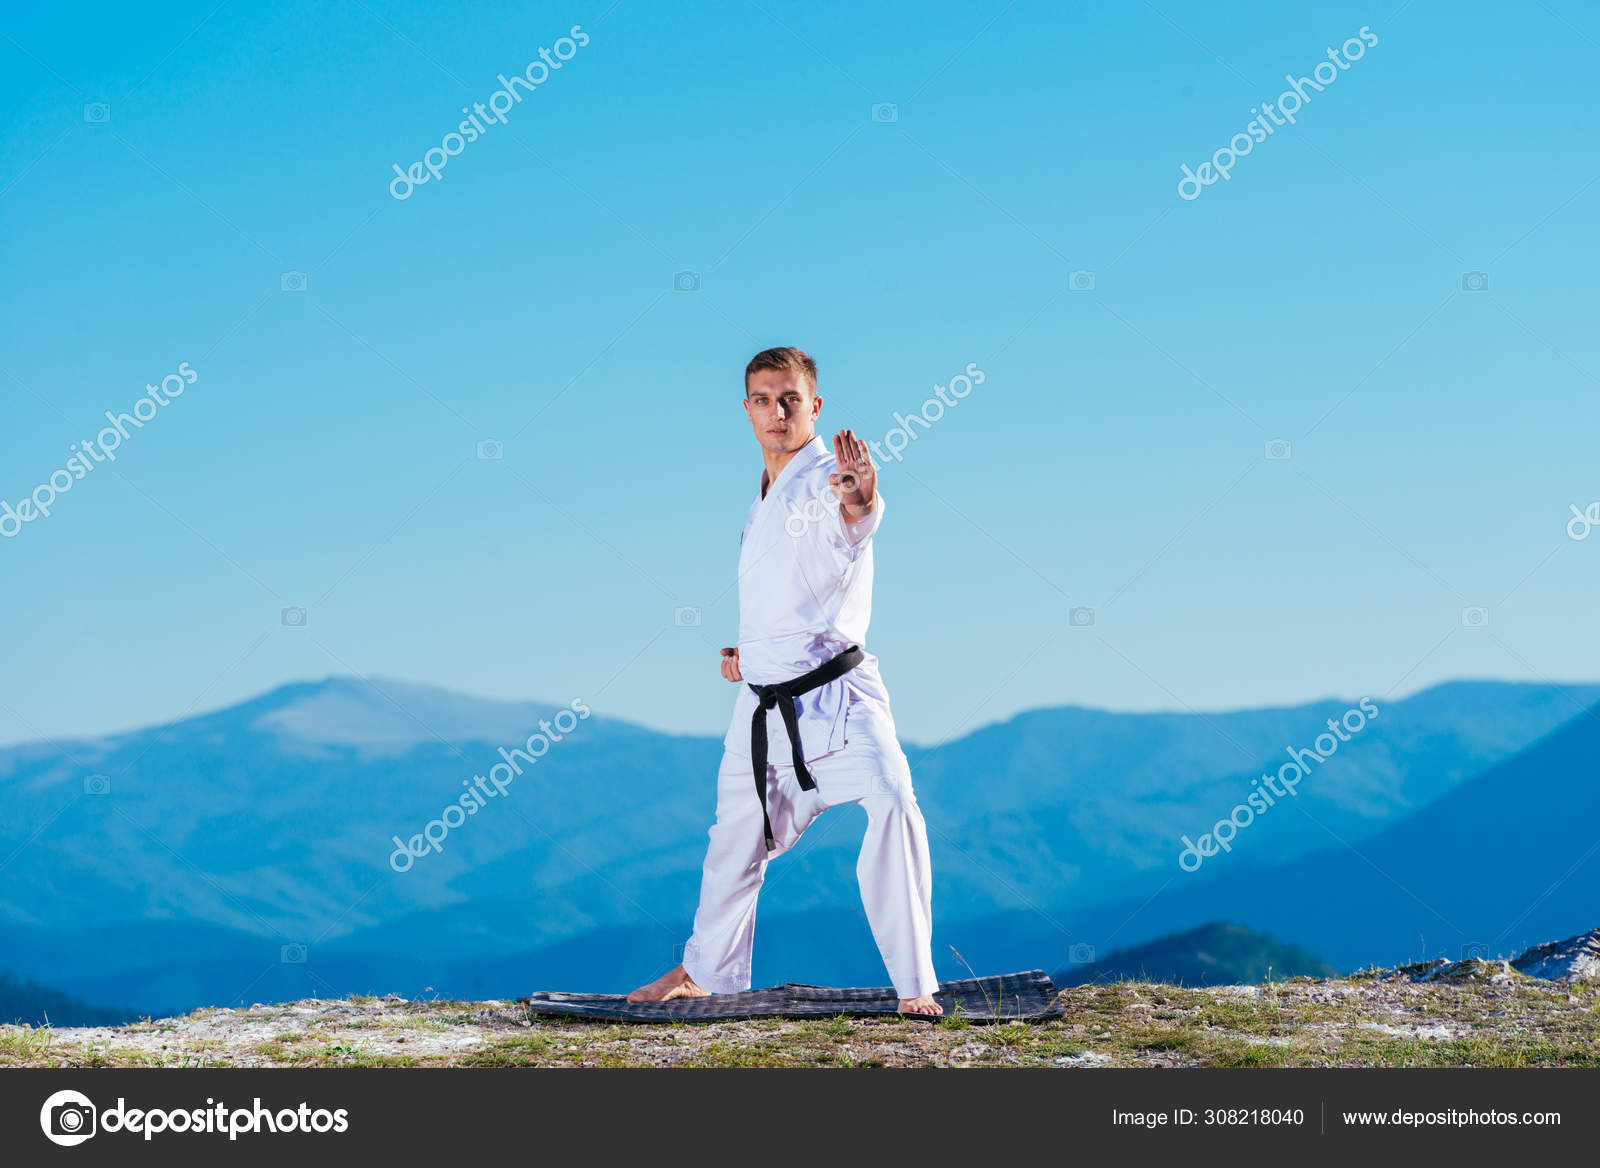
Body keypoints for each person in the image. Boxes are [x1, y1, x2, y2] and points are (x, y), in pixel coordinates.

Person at [627, 346, 942, 1014]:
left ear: (814, 407)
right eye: (764, 400)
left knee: (892, 803)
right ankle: (704, 972)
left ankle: (916, 985)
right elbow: (793, 594)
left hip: (839, 697)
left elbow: (849, 525)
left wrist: (862, 495)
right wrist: (752, 654)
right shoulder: (762, 496)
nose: (777, 413)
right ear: (746, 410)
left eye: (790, 400)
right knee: (732, 844)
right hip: (765, 703)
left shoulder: (829, 477)